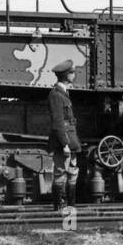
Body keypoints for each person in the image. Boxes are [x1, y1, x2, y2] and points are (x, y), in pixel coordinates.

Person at [47, 59, 82, 210]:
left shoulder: (64, 93)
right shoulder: (56, 94)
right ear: (67, 75)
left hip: (71, 139)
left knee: (73, 171)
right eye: (72, 72)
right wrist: (65, 144)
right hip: (65, 141)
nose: (74, 75)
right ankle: (59, 206)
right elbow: (58, 122)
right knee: (60, 172)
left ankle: (71, 205)